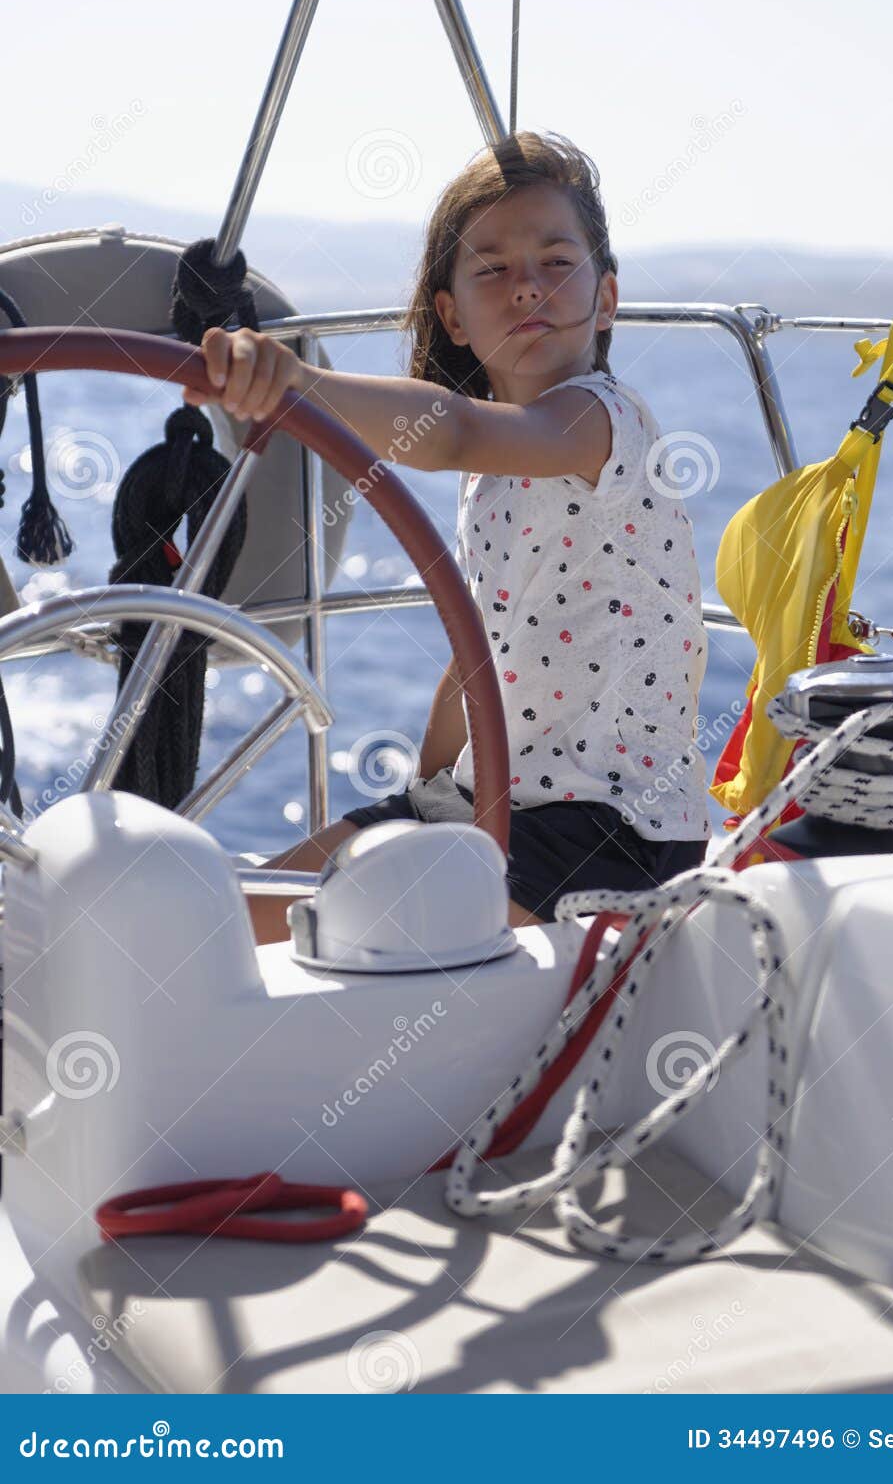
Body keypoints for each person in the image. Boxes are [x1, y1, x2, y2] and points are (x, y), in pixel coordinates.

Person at [183, 132, 712, 945]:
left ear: (605, 299)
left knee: (341, 932)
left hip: (609, 834)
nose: (527, 286)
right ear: (452, 315)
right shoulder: (495, 470)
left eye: (556, 261)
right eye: (492, 268)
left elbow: (454, 428)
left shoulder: (600, 422)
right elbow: (483, 655)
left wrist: (300, 383)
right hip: (490, 802)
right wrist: (425, 796)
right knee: (230, 915)